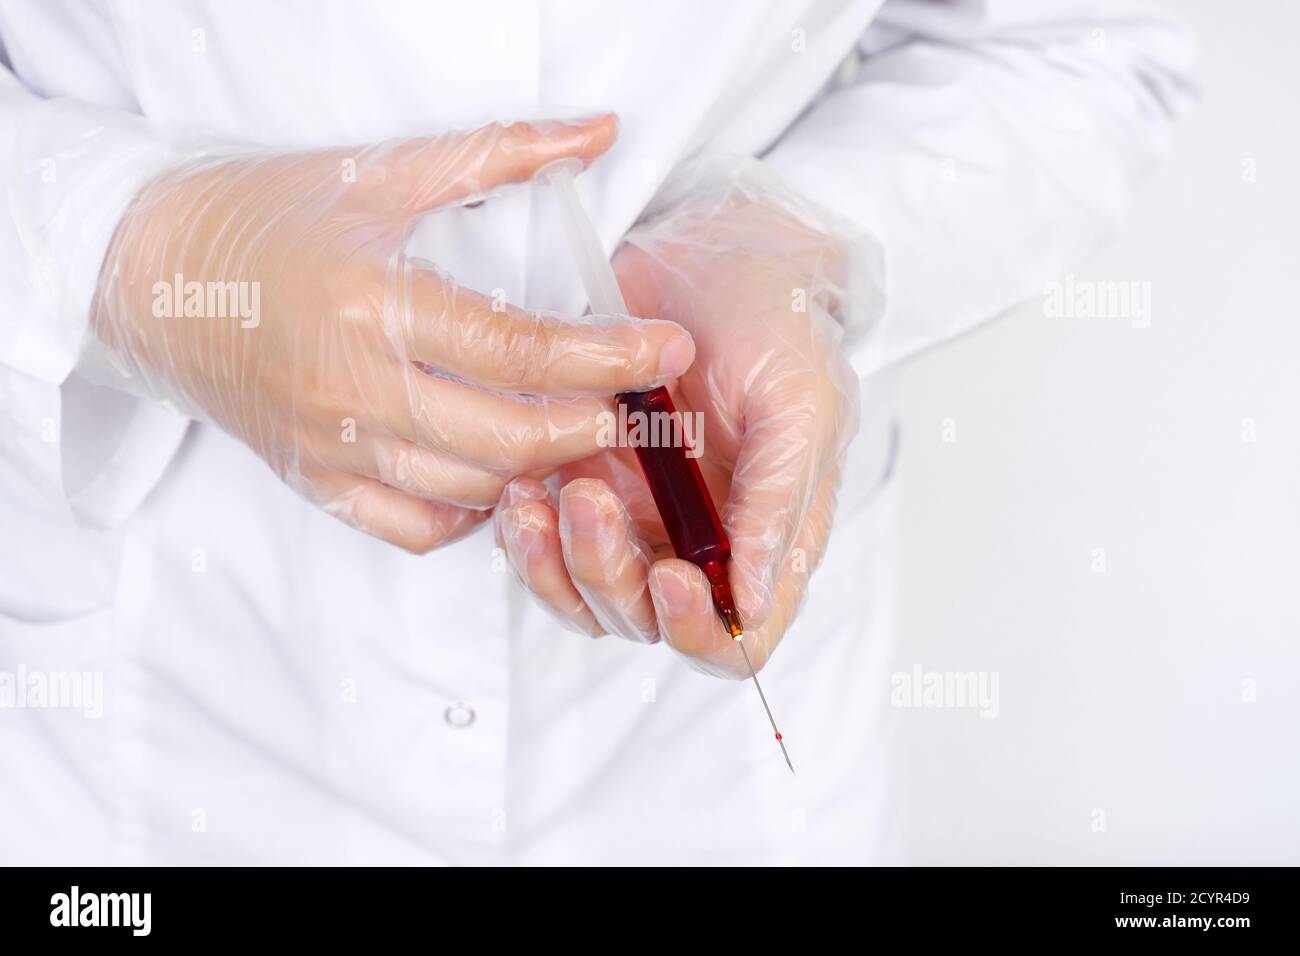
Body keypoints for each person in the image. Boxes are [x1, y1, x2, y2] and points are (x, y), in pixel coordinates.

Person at [0, 0, 1194, 864]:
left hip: (697, 760)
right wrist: (132, 254)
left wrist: (795, 234)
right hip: (166, 695)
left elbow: (1079, 45)